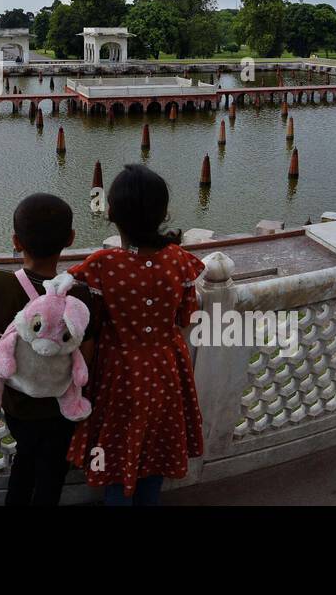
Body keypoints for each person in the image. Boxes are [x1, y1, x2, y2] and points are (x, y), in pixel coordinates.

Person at [67, 164, 204, 506]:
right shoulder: (179, 261)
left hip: (118, 373)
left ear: (111, 213)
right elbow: (187, 317)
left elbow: (88, 321)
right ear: (163, 213)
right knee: (155, 446)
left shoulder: (101, 265)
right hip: (165, 370)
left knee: (115, 454)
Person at [0, 193, 99, 506]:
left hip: (17, 405)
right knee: (53, 470)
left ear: (15, 240)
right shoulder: (80, 294)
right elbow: (88, 356)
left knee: (25, 459)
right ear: (70, 238)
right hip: (60, 406)